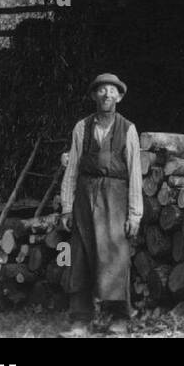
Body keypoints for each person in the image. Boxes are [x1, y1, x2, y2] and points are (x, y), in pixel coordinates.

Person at [59, 72, 141, 336]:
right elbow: (71, 168)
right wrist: (67, 206)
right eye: (102, 91)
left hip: (115, 199)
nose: (107, 95)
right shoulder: (81, 128)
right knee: (80, 256)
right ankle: (80, 320)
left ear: (119, 97)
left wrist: (135, 214)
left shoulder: (128, 129)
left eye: (112, 91)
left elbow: (135, 173)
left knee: (115, 257)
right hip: (84, 198)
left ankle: (119, 317)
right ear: (94, 95)